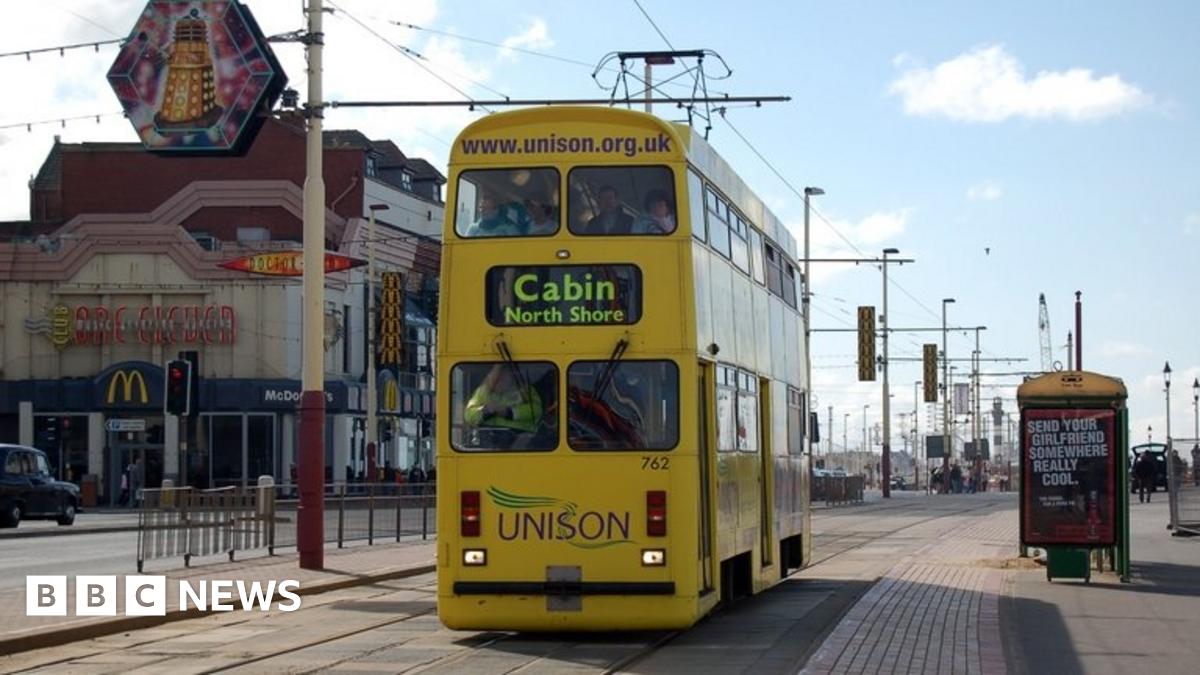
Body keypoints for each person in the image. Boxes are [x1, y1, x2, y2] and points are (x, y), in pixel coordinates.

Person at [464, 365, 545, 435]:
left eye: (502, 376)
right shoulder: (483, 392)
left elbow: (537, 410)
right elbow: (469, 415)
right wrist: (486, 410)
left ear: (512, 377)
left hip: (520, 438)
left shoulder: (525, 390)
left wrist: (509, 412)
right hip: (489, 439)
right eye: (495, 375)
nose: (497, 379)